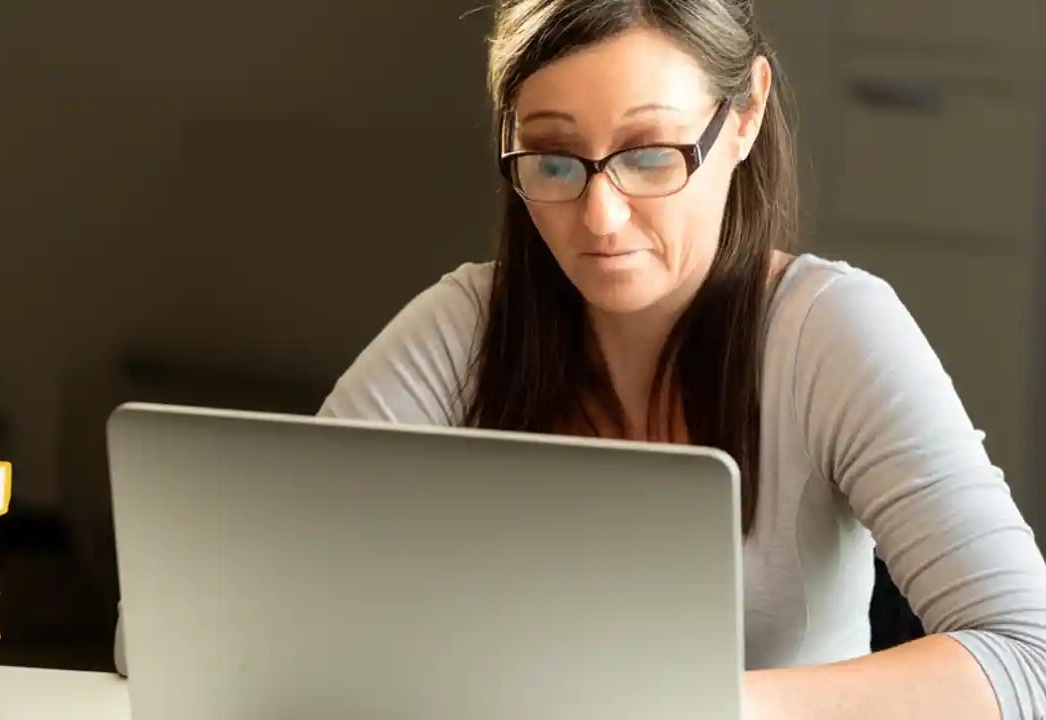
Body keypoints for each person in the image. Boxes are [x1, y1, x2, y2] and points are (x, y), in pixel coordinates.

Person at [115, 1, 1046, 716]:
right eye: (554, 161)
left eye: (648, 155)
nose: (598, 220)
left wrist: (698, 704)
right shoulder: (466, 326)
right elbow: (176, 633)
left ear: (747, 115)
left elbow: (1027, 656)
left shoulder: (831, 333)